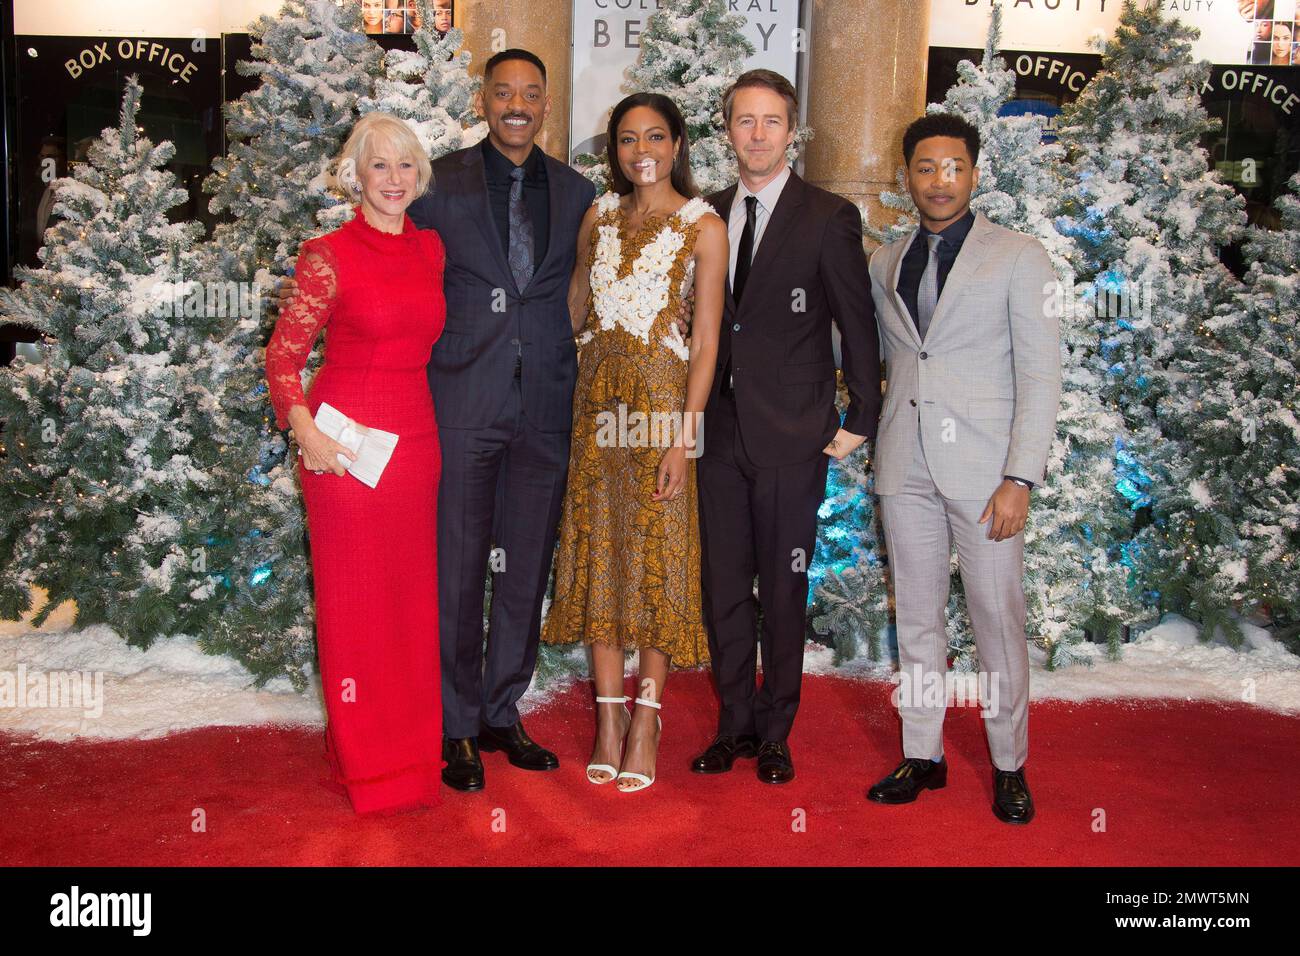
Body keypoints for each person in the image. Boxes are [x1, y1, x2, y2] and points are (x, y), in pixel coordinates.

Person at [276, 51, 595, 794]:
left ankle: (501, 711)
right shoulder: (436, 183)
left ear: (546, 104)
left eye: (531, 93)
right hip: (454, 409)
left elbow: (578, 289)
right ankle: (452, 725)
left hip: (544, 409)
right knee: (452, 571)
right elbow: (374, 258)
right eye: (503, 91)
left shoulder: (580, 193)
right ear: (482, 100)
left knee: (522, 570)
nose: (517, 103)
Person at [864, 113, 1061, 824]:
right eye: (925, 166)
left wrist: (1022, 477)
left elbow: (1042, 375)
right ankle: (924, 755)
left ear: (973, 174)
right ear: (908, 175)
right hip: (904, 465)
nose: (939, 180)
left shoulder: (1018, 255)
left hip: (987, 476)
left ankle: (1010, 764)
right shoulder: (886, 262)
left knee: (995, 621)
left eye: (953, 167)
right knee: (917, 621)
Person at [691, 70, 882, 785]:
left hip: (791, 435)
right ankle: (733, 723)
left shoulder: (827, 215)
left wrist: (860, 416)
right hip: (717, 435)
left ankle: (777, 730)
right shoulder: (706, 213)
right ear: (728, 130)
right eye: (745, 121)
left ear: (791, 131)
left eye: (772, 121)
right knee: (725, 588)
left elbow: (856, 323)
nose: (759, 134)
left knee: (784, 584)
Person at [540, 93, 727, 792]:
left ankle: (648, 717)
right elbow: (573, 308)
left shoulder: (704, 226)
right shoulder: (599, 216)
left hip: (658, 413)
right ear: (614, 149)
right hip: (595, 409)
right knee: (598, 549)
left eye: (654, 136)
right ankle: (608, 717)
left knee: (657, 554)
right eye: (626, 138)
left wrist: (684, 438)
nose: (639, 149)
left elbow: (705, 342)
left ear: (678, 143)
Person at [264, 112, 446, 815]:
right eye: (379, 166)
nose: (394, 179)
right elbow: (283, 356)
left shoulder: (431, 251)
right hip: (342, 452)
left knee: (408, 606)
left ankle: (411, 759)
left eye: (405, 165)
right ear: (357, 174)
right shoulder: (327, 254)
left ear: (418, 174)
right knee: (356, 607)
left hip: (415, 445)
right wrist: (304, 429)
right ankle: (369, 764)